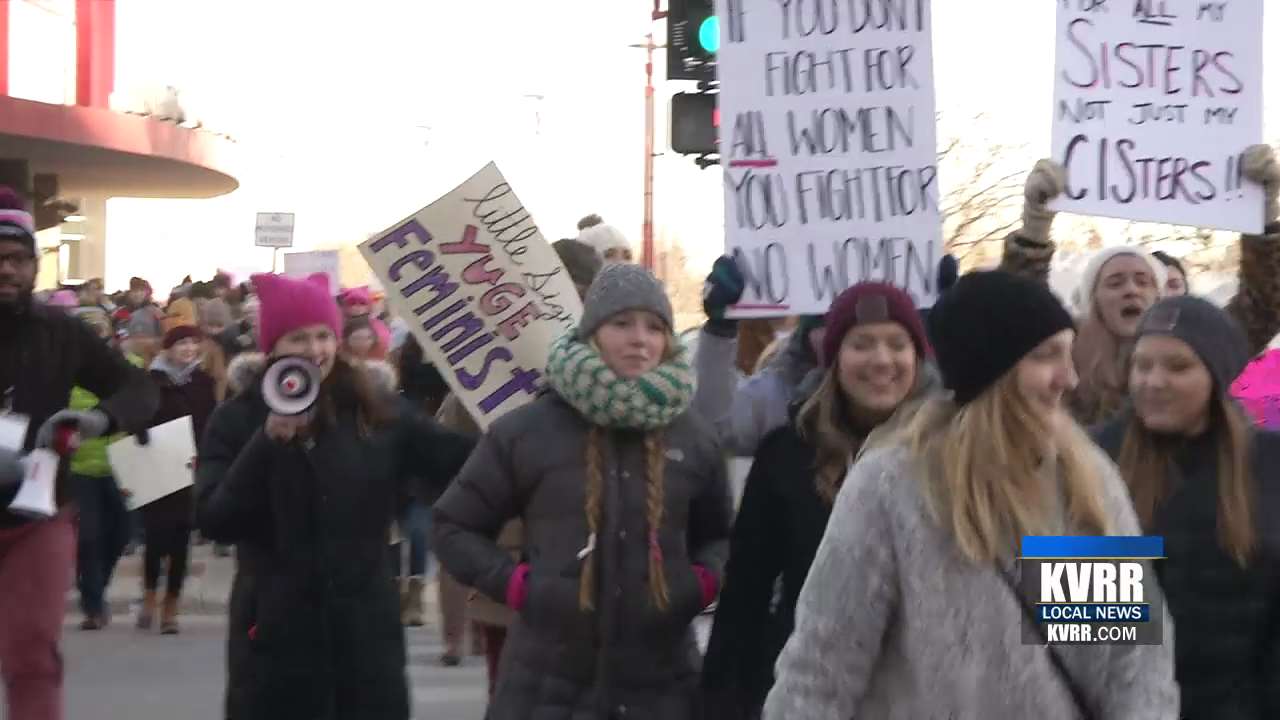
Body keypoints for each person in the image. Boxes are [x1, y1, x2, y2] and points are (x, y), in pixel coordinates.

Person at [763, 271, 1179, 719]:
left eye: (1069, 355)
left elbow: (1126, 665)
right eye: (1046, 357)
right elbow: (823, 669)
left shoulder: (1075, 479)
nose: (1070, 378)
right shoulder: (894, 485)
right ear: (993, 371)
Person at [434, 264, 732, 719]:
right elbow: (453, 525)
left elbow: (723, 537)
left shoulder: (694, 436)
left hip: (663, 686)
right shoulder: (528, 431)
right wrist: (519, 587)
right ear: (592, 332)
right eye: (622, 323)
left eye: (654, 327)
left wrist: (699, 584)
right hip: (545, 686)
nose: (640, 339)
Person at [195, 272, 474, 720]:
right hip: (273, 635)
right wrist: (264, 445)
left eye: (324, 335)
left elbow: (460, 463)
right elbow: (214, 518)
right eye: (298, 338)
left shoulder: (377, 410)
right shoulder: (237, 417)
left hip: (365, 634)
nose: (314, 350)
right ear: (272, 347)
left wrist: (503, 419)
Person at [701, 282, 937, 718]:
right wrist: (722, 704)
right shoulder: (787, 455)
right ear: (832, 358)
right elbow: (744, 599)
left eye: (1059, 354)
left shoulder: (965, 458)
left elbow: (1085, 636)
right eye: (862, 343)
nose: (1064, 376)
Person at [0, 187, 158, 720]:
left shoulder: (62, 333)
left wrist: (98, 419)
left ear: (34, 266)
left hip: (38, 517)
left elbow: (138, 390)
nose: (7, 270)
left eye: (17, 259)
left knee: (32, 655)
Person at [999, 144, 1280, 425]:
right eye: (1114, 282)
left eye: (1142, 281)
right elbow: (1019, 316)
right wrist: (1034, 230)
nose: (1130, 290)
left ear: (1160, 297)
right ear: (1093, 299)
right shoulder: (1064, 354)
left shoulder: (1198, 346)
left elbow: (1262, 308)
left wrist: (1262, 217)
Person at [1094, 296, 1280, 719]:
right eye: (1142, 365)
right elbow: (1079, 634)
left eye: (1178, 366)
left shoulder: (1270, 464)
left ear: (1219, 376)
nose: (1153, 381)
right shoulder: (1092, 462)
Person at [136, 303, 218, 635]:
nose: (188, 349)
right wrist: (139, 430)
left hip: (190, 464)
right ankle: (149, 596)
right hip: (157, 463)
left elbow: (211, 422)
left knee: (182, 537)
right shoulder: (151, 380)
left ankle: (171, 606)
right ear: (168, 349)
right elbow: (136, 415)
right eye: (181, 344)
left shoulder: (202, 381)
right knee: (156, 536)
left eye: (192, 344)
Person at [66, 306, 144, 630]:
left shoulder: (131, 367)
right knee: (89, 537)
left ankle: (98, 587)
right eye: (88, 330)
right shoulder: (63, 371)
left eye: (99, 329)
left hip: (123, 463)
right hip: (80, 467)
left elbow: (146, 406)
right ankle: (93, 604)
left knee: (121, 534)